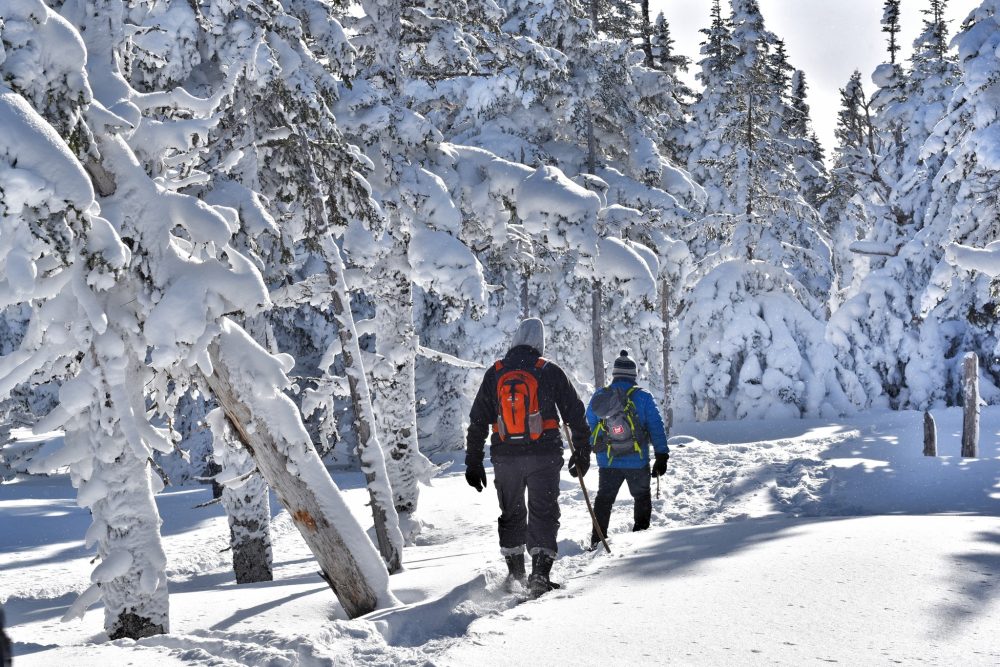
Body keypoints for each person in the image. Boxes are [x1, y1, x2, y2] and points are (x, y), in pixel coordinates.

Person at [465, 318, 591, 597]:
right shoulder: (548, 370)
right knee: (543, 511)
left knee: (511, 512)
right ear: (540, 344)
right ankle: (540, 577)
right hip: (543, 456)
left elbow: (477, 421)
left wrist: (473, 461)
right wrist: (582, 452)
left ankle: (516, 574)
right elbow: (576, 414)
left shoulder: (496, 373)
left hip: (505, 457)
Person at [586, 350, 668, 547]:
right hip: (637, 461)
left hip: (609, 461)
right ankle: (640, 537)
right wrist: (661, 455)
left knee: (604, 499)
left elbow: (589, 422)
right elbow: (656, 426)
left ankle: (598, 539)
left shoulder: (600, 396)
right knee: (641, 496)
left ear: (614, 375)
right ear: (634, 375)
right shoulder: (643, 397)